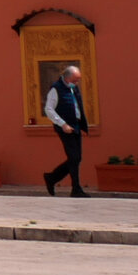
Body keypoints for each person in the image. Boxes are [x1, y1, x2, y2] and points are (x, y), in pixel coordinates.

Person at [42, 63, 90, 196]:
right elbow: (49, 109)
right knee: (74, 157)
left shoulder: (73, 88)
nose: (77, 82)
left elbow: (77, 106)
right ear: (67, 78)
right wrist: (62, 124)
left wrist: (83, 125)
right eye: (75, 80)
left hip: (75, 126)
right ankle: (76, 189)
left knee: (76, 158)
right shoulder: (56, 89)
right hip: (65, 128)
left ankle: (51, 178)